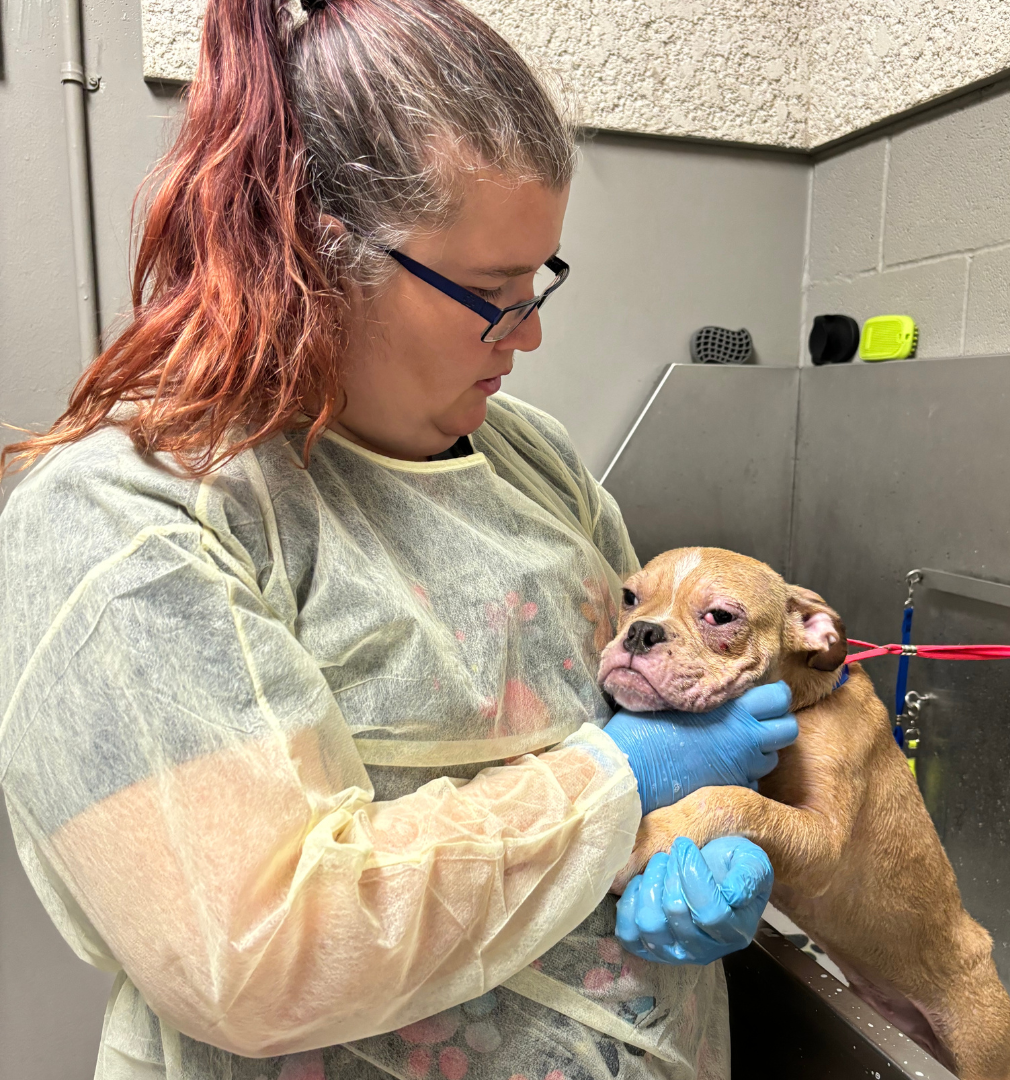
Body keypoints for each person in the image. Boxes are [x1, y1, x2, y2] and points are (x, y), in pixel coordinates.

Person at [0, 1, 798, 1078]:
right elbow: (261, 951)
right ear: (312, 257)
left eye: (538, 283)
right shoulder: (129, 515)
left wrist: (700, 835)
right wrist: (617, 782)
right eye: (488, 294)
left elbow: (638, 690)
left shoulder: (532, 459)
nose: (532, 331)